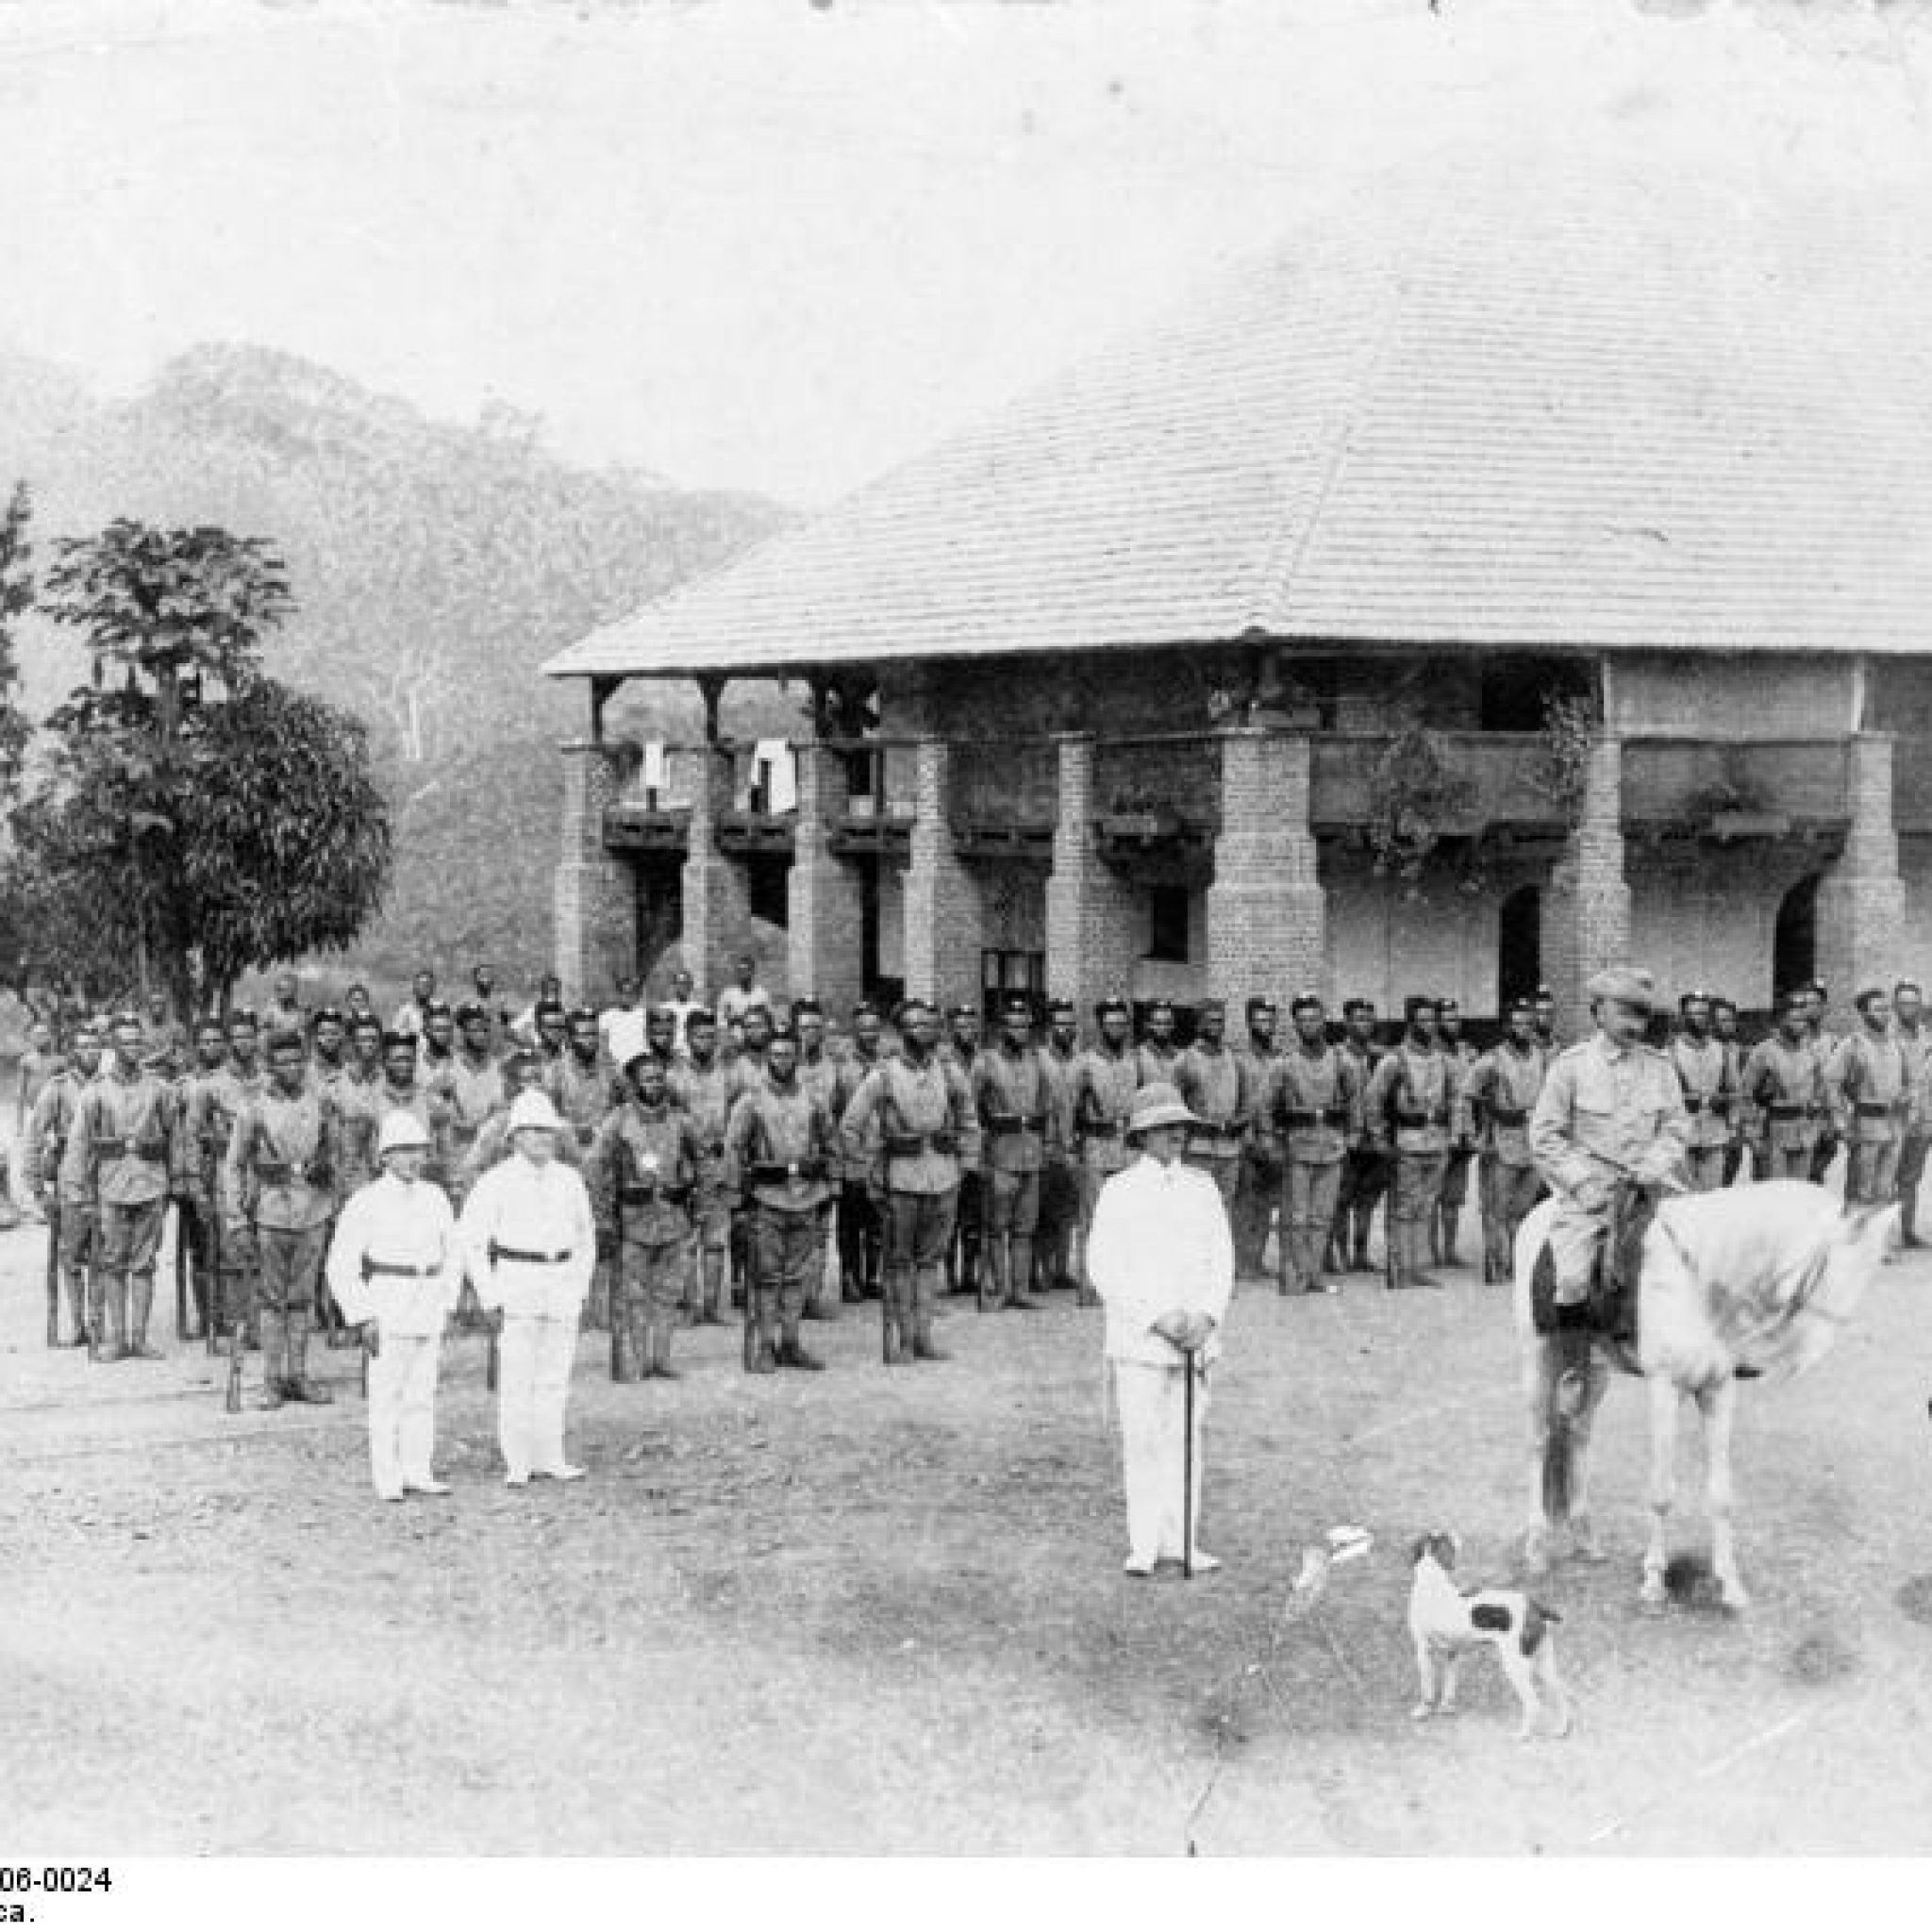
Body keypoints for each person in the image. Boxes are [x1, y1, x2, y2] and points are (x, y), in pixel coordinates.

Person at [1086, 1081, 1234, 1579]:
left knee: (1187, 1437)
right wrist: (1159, 1318)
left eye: (1181, 1127)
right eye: (1164, 1128)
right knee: (1144, 1440)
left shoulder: (1203, 1187)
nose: (1176, 1136)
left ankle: (1184, 1542)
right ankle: (1145, 1543)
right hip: (1142, 1341)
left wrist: (1206, 1316)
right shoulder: (1119, 1190)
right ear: (1141, 1136)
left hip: (1195, 1337)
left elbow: (1222, 1260)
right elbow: (1105, 1268)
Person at [1527, 967, 1689, 1309]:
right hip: (1592, 1195)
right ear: (1598, 1012)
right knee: (1572, 1281)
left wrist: (1654, 1165)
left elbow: (1675, 1129)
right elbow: (1545, 1136)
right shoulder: (1570, 1067)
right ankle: (1574, 1360)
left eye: (1641, 1016)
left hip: (1653, 1189)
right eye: (1624, 1013)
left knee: (1707, 1259)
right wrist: (1580, 1183)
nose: (1635, 1025)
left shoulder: (1661, 1068)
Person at [459, 1090, 595, 1486]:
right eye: (532, 1131)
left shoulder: (570, 1180)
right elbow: (471, 1240)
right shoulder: (495, 1182)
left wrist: (579, 1288)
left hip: (560, 1284)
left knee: (555, 1376)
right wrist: (489, 1294)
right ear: (514, 1136)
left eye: (547, 1131)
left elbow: (586, 1239)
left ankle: (551, 1455)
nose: (541, 1138)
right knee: (518, 1377)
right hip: (517, 1282)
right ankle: (518, 1461)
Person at [326, 1111, 462, 1502]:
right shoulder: (366, 1201)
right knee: (387, 1395)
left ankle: (418, 1469)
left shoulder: (435, 1197)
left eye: (418, 1151)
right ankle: (388, 1476)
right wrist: (362, 1314)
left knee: (422, 1393)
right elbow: (342, 1265)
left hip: (427, 1300)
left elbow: (452, 1252)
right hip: (388, 1301)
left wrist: (447, 1301)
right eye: (403, 1151)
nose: (413, 1159)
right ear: (385, 1156)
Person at [839, 996, 981, 1365]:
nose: (924, 1032)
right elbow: (850, 1127)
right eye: (916, 1025)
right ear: (901, 1032)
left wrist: (965, 1164)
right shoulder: (882, 1076)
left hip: (943, 1178)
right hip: (900, 1181)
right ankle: (903, 1339)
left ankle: (924, 1337)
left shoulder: (950, 1072)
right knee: (901, 1263)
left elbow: (969, 1120)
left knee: (930, 1262)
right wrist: (872, 1163)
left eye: (930, 1025)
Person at [223, 1028, 341, 1407]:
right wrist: (236, 1218)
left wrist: (331, 1186)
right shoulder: (253, 1109)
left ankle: (298, 1374)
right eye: (282, 1061)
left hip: (312, 1211)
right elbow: (234, 1166)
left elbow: (337, 1151)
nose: (290, 1068)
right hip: (271, 1211)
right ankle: (272, 1378)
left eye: (296, 1060)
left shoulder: (321, 1102)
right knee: (273, 1300)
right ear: (269, 1065)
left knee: (303, 1298)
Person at [60, 1011, 181, 1362]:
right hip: (110, 1186)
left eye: (137, 1041)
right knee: (112, 1262)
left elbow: (175, 1137)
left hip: (150, 1183)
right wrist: (78, 1192)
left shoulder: (159, 1089)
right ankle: (116, 1338)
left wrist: (175, 1182)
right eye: (125, 1041)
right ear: (113, 1045)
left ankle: (139, 1338)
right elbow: (79, 1145)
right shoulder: (95, 1092)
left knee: (144, 1263)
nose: (133, 1047)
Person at [725, 1024, 840, 1373]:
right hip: (767, 1196)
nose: (782, 1060)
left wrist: (832, 1187)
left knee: (795, 1276)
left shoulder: (814, 1099)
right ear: (767, 1057)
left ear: (798, 1056)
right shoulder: (752, 1100)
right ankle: (764, 1345)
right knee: (766, 1276)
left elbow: (831, 1144)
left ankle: (790, 1342)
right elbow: (733, 1149)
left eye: (788, 1053)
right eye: (775, 1054)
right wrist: (736, 1200)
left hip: (805, 1196)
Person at [592, 1051, 702, 1380]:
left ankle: (662, 1358)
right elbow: (598, 1168)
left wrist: (701, 1207)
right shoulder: (618, 1121)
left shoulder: (681, 1121)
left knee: (668, 1294)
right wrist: (604, 1219)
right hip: (633, 1220)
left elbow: (707, 1163)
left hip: (673, 1219)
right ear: (634, 1083)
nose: (655, 1085)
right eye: (648, 1079)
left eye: (659, 1078)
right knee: (634, 1296)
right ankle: (636, 1359)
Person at [1266, 993, 1359, 1296]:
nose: (1309, 1025)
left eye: (1314, 1019)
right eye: (1302, 1020)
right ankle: (1294, 1276)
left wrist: (1353, 1133)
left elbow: (1354, 1099)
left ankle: (1315, 1273)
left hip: (1331, 1145)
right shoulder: (1284, 1063)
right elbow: (1266, 1105)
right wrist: (1270, 1140)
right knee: (1296, 1216)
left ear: (1324, 1021)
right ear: (1295, 1024)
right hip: (1297, 1146)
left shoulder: (1341, 1061)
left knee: (1322, 1216)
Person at [1364, 996, 1456, 1291]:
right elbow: (1373, 1100)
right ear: (1410, 1022)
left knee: (1425, 1208)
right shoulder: (1394, 1060)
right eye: (1423, 1020)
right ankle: (1399, 1269)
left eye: (1432, 1020)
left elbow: (1455, 1100)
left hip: (1436, 1142)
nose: (1428, 1026)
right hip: (1407, 1142)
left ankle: (1416, 1268)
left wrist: (1454, 1135)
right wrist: (1379, 1138)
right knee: (1403, 1209)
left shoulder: (1443, 1060)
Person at [973, 994, 1057, 1313]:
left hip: (1031, 1154)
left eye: (1025, 1026)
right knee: (996, 1225)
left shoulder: (1037, 1061)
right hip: (1000, 1154)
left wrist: (1047, 1143)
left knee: (1025, 1227)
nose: (1020, 1031)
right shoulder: (986, 1062)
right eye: (1013, 1025)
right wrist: (979, 1153)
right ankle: (997, 1288)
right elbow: (972, 1108)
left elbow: (1050, 1100)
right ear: (1001, 1027)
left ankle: (1019, 1291)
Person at [1465, 995, 1548, 1284]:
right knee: (1496, 1209)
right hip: (1501, 1141)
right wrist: (1477, 1132)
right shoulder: (1491, 1060)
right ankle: (1496, 1264)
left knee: (1523, 1209)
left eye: (1528, 1023)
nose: (1523, 1029)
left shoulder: (1542, 1056)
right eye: (1517, 1024)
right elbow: (1469, 1096)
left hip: (1534, 1144)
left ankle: (1518, 1262)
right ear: (1506, 1027)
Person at [29, 1024, 104, 1346]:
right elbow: (33, 1139)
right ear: (74, 1052)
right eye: (84, 1047)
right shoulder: (57, 1089)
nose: (90, 1053)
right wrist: (37, 1190)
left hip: (105, 1184)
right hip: (69, 1183)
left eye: (95, 1046)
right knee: (71, 1257)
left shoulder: (107, 1087)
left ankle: (97, 1322)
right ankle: (77, 1325)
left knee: (103, 1257)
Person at [1066, 997, 1140, 1304]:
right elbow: (1068, 1108)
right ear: (1100, 1025)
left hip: (1127, 1148)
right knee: (1094, 1220)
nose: (1116, 1028)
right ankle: (1090, 1285)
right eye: (1110, 1022)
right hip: (1096, 1146)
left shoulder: (1134, 1060)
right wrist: (1070, 1147)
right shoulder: (1083, 1064)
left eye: (1121, 1023)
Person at [670, 1008, 735, 1325]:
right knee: (688, 1239)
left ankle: (711, 1307)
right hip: (688, 1165)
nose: (705, 1042)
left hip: (719, 1165)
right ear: (688, 1037)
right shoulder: (674, 1076)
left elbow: (738, 1114)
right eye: (699, 1036)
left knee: (716, 1238)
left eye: (711, 1036)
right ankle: (688, 1307)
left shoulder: (727, 1073)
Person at [1828, 985, 1914, 1210]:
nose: (1884, 1014)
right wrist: (1841, 1122)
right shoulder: (1852, 1044)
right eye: (1878, 1009)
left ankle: (1876, 1242)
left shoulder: (1896, 1044)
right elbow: (1832, 1083)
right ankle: (1853, 1242)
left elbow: (1908, 1081)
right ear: (1864, 1014)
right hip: (1865, 1123)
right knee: (1861, 1190)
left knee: (1885, 1190)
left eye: (1887, 1009)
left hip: (1894, 1125)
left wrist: (1905, 1098)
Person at [829, 1002, 888, 1304]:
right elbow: (835, 1111)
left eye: (874, 1028)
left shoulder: (888, 1066)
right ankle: (849, 1278)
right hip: (851, 1154)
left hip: (879, 1154)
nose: (869, 1033)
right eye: (864, 1028)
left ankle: (873, 1276)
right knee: (850, 1224)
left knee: (877, 1221)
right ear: (855, 1030)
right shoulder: (842, 1068)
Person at [1174, 998, 1251, 1225]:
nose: (1216, 1027)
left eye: (1220, 1021)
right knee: (1196, 1211)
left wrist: (1238, 1123)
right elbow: (1176, 1108)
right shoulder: (1185, 1060)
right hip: (1197, 1149)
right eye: (1210, 1022)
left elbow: (1245, 1105)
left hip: (1229, 1150)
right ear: (1198, 1025)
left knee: (1224, 1211)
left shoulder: (1235, 1060)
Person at [1741, 991, 1827, 1181]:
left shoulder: (1812, 1052)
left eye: (1803, 1020)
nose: (1801, 1025)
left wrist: (1819, 1122)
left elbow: (1822, 1090)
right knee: (1775, 1193)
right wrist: (1753, 1134)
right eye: (1794, 1020)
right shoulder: (1764, 1052)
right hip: (1773, 1131)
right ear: (1781, 1022)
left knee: (1800, 1193)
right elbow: (1746, 1095)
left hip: (1805, 1131)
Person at [1331, 998, 1390, 1276]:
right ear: (1346, 1022)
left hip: (1374, 1140)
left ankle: (1361, 1254)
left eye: (1368, 1018)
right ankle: (1340, 1254)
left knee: (1367, 1200)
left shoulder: (1382, 1056)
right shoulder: (1335, 1057)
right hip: (1346, 1139)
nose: (1364, 1024)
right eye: (1358, 1019)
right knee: (1342, 1199)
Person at [1232, 997, 1282, 1283]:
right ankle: (1242, 1261)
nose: (1266, 1026)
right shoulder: (1238, 1059)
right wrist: (1247, 1135)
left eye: (1270, 1020)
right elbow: (1238, 1101)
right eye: (1261, 1020)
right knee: (1245, 1204)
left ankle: (1258, 1259)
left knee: (1266, 1204)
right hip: (1247, 1141)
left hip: (1274, 1141)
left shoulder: (1279, 1059)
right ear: (1250, 1023)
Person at [1667, 991, 1737, 1192]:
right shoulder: (1669, 1053)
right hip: (1682, 1137)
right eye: (1695, 1014)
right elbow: (1662, 1099)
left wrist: (1730, 1116)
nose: (1701, 1019)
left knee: (1711, 1197)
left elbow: (1736, 1093)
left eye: (1706, 1014)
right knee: (1682, 1196)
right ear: (1683, 1017)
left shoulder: (1722, 1051)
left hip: (1714, 1135)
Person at [1434, 997, 1479, 1268]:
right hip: (1439, 1134)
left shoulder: (1466, 1052)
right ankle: (1430, 1252)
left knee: (1453, 1198)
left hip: (1463, 1133)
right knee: (1432, 1197)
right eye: (1448, 1019)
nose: (1454, 1024)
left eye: (1455, 1018)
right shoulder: (1432, 1054)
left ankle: (1449, 1250)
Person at [1894, 980, 1931, 1245]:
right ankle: (1881, 1236)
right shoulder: (1885, 1035)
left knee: (1911, 1178)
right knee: (1884, 1179)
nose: (1910, 1008)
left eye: (1914, 1002)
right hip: (1893, 1120)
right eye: (1904, 1002)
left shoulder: (1926, 1034)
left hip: (1923, 1118)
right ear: (1895, 1005)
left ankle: (1906, 1232)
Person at [715, 954, 773, 1033]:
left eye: (746, 970)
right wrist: (734, 1020)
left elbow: (769, 1019)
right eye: (739, 970)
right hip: (734, 1035)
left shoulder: (762, 993)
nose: (742, 974)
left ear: (752, 972)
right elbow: (720, 1019)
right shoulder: (728, 994)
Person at [1134, 998, 1180, 1089]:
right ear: (1148, 1025)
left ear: (1173, 1025)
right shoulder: (1137, 1056)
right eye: (1158, 1023)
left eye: (1167, 1023)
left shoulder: (1180, 1057)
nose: (1163, 1028)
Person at [658, 968, 703, 1057]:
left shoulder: (699, 1009)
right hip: (670, 1055)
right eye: (679, 983)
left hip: (692, 1056)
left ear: (691, 986)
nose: (683, 987)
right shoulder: (664, 1009)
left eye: (686, 983)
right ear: (674, 986)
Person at [391, 969, 438, 1040]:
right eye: (421, 984)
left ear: (433, 989)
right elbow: (396, 1035)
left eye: (427, 985)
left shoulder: (438, 1010)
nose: (424, 988)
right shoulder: (405, 1012)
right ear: (414, 988)